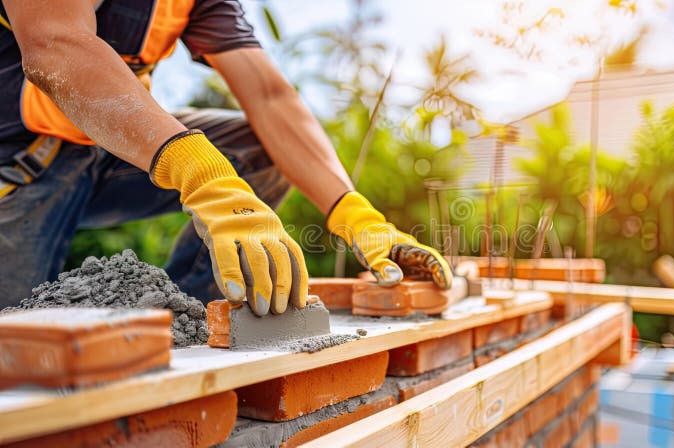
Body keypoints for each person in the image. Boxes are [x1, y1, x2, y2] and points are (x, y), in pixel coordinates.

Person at [0, 0, 452, 315]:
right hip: (16, 172)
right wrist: (201, 171)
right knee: (17, 362)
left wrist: (355, 213)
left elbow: (271, 97)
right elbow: (55, 45)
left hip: (104, 152)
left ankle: (185, 320)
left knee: (261, 151)